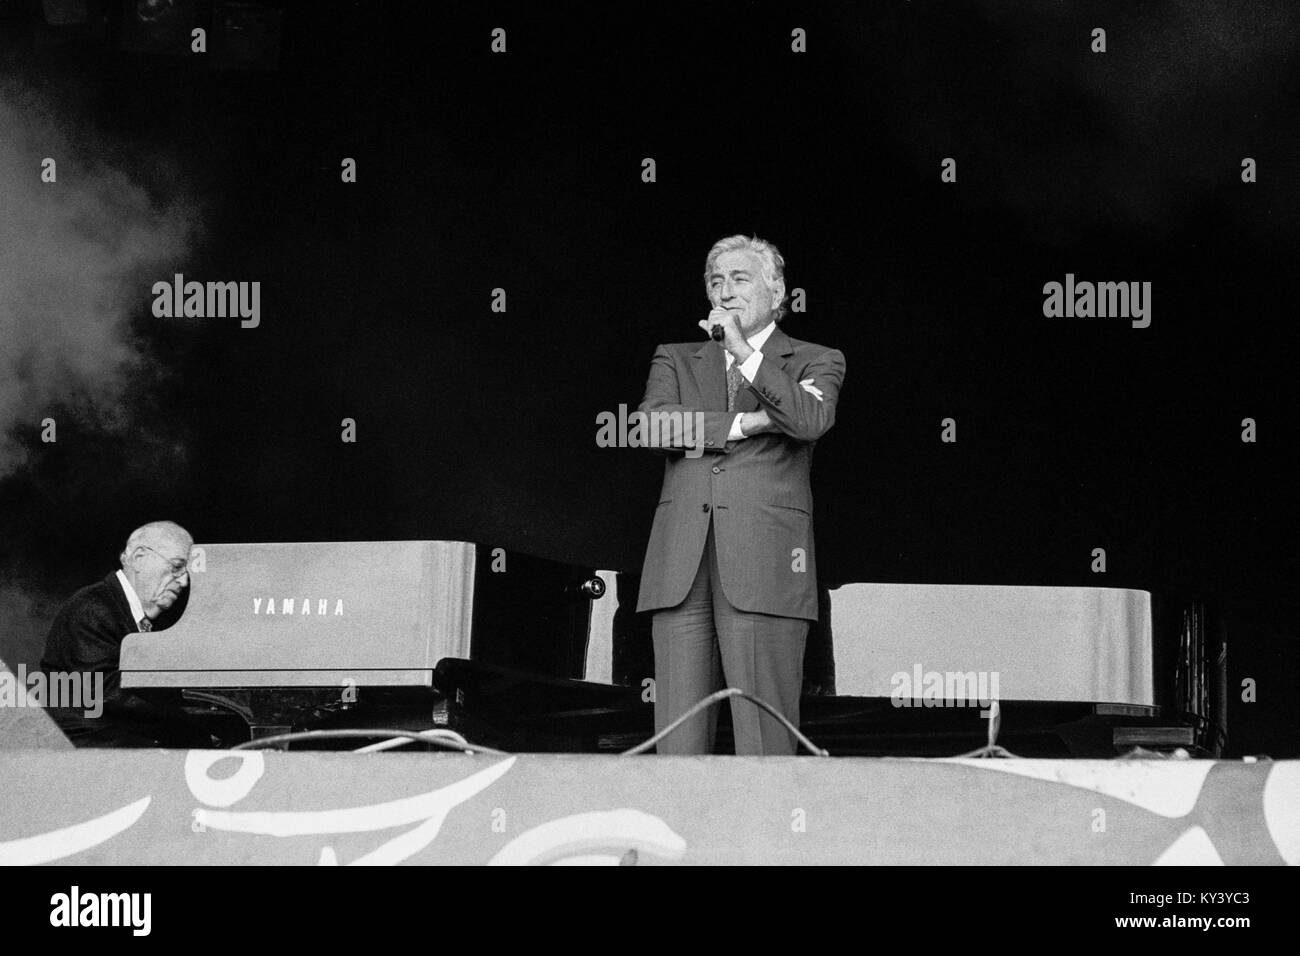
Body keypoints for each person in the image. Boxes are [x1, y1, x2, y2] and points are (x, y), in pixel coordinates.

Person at [636, 234, 846, 754]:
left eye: (739, 278)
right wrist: (748, 424)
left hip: (767, 567)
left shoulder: (816, 359)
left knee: (764, 745)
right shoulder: (676, 358)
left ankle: (767, 836)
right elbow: (650, 427)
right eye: (715, 280)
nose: (724, 290)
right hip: (680, 569)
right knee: (676, 750)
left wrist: (744, 354)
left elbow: (809, 418)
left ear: (778, 294)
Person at [40, 520, 214, 747]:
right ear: (139, 558)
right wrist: (194, 721)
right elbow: (103, 693)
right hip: (92, 756)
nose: (183, 581)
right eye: (177, 566)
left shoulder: (134, 617)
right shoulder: (92, 608)